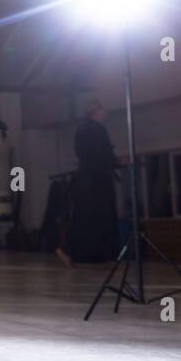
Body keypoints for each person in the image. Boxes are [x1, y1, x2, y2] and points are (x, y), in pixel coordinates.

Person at [63, 100, 121, 265]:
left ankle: (79, 253)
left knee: (85, 217)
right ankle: (103, 254)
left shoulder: (82, 130)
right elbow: (101, 154)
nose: (106, 113)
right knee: (100, 217)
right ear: (95, 112)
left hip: (86, 180)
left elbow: (89, 154)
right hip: (97, 181)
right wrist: (115, 161)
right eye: (103, 110)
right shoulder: (97, 129)